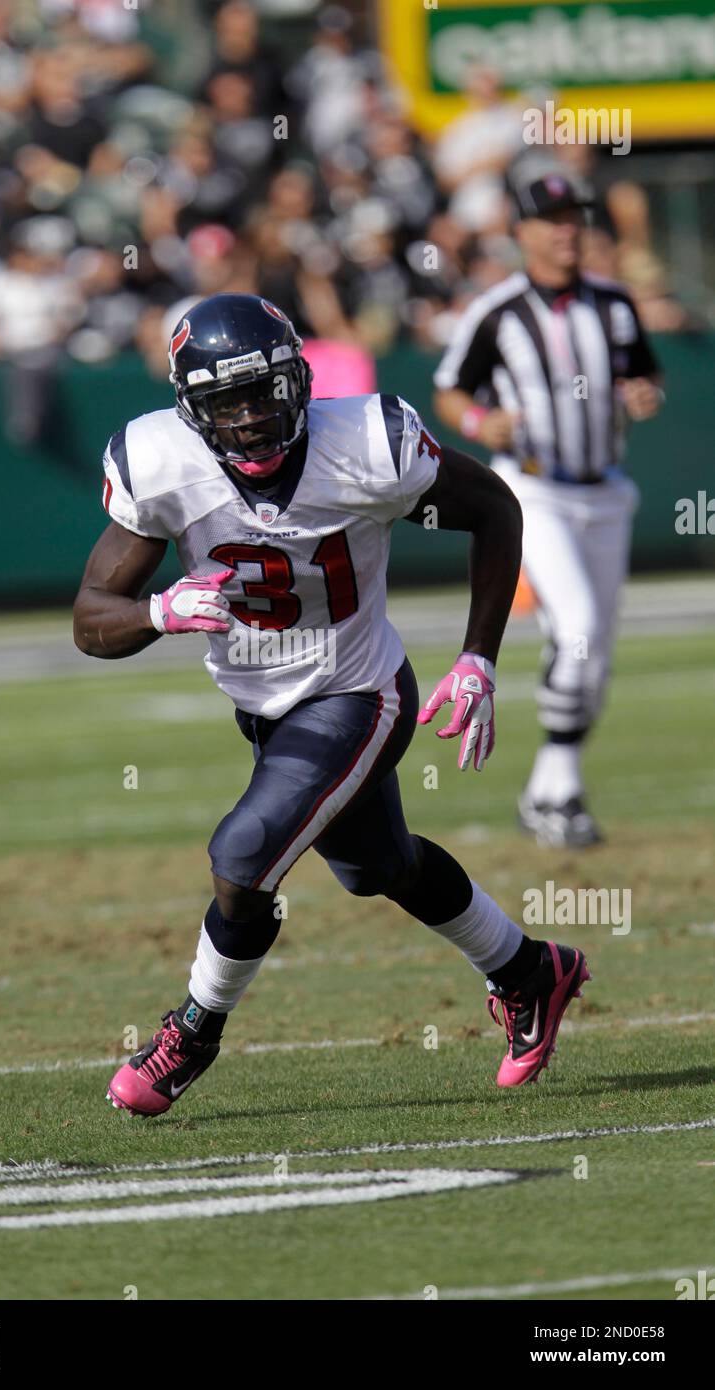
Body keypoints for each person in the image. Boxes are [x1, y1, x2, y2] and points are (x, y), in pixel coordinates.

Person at [73, 291, 589, 1117]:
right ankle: (532, 972)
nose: (249, 420)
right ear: (190, 409)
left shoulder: (367, 445)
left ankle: (192, 1032)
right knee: (378, 868)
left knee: (244, 860)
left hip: (359, 692)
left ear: (298, 382)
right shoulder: (159, 461)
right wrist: (158, 611)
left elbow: (492, 506)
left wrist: (478, 658)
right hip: (264, 705)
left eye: (264, 393)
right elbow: (92, 619)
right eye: (226, 404)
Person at [434, 175, 663, 848]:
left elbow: (644, 373)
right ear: (522, 232)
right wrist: (482, 420)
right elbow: (450, 389)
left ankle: (548, 793)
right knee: (580, 629)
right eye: (552, 219)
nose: (567, 229)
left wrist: (642, 394)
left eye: (574, 217)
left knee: (597, 653)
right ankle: (556, 791)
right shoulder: (498, 311)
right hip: (535, 488)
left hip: (607, 488)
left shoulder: (615, 304)